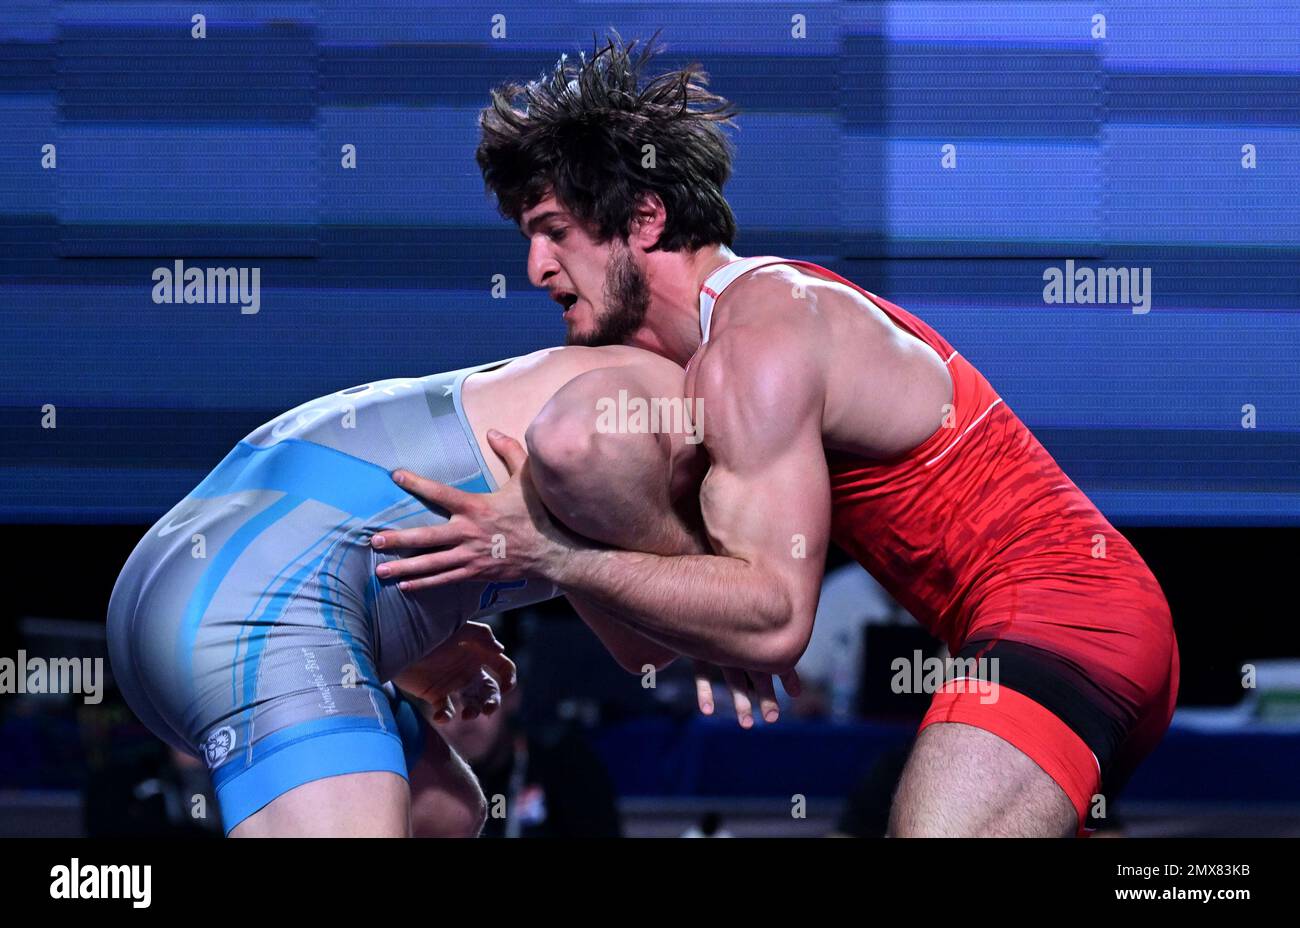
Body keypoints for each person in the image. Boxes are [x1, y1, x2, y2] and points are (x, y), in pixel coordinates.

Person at [371, 36, 1180, 837]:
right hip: (1022, 636)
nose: (536, 268)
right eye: (527, 239)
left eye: (554, 231)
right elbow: (639, 645)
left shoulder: (762, 336)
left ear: (645, 219)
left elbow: (778, 622)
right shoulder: (691, 371)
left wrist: (548, 554)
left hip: (1077, 619)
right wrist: (550, 524)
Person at [107, 344, 778, 837]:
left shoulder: (570, 379)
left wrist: (410, 637)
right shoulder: (647, 408)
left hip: (168, 587)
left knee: (446, 811)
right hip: (255, 610)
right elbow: (659, 638)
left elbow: (352, 521)